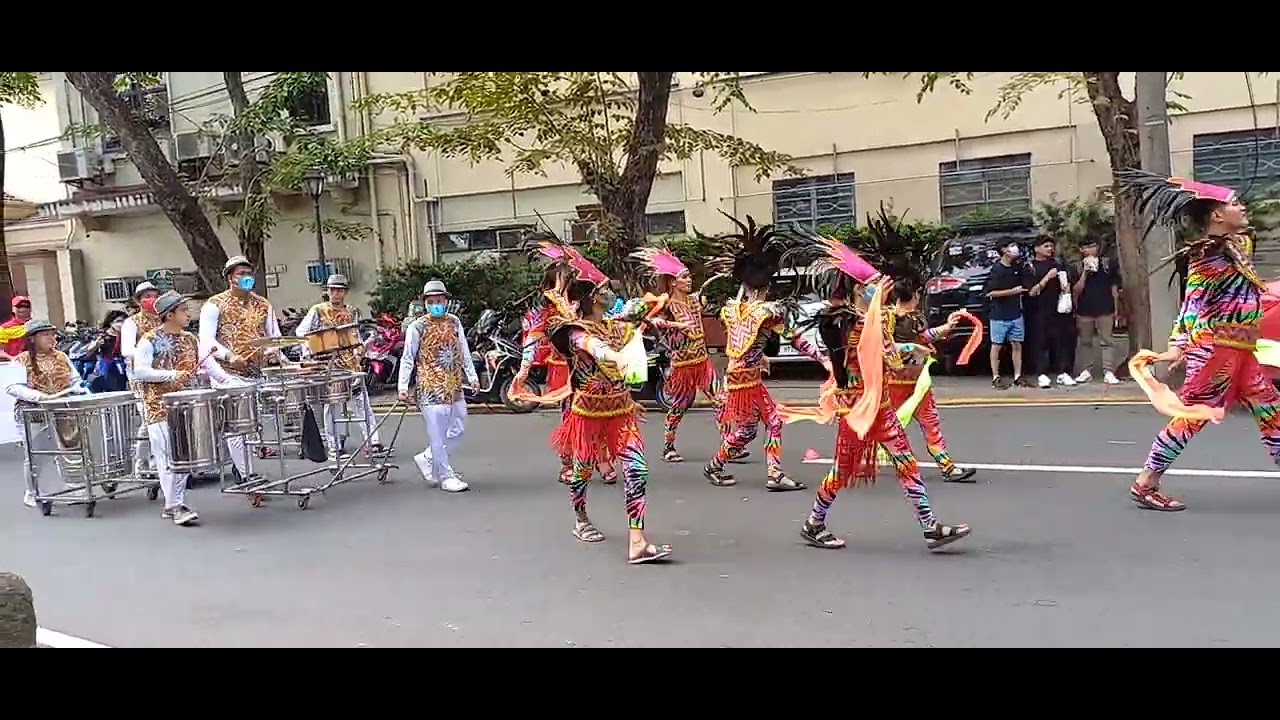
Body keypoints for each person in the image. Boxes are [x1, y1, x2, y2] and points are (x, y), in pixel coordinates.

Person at [776, 233, 971, 551]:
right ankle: (813, 523)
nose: (881, 286)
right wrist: (915, 351)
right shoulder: (859, 323)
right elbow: (892, 360)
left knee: (906, 462)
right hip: (857, 412)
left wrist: (911, 346)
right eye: (874, 283)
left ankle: (929, 526)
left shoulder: (860, 320)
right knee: (842, 471)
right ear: (858, 289)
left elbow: (890, 352)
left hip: (877, 407)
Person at [1117, 170, 1280, 512]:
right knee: (1192, 415)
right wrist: (1178, 344)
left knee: (1272, 410)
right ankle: (1146, 482)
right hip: (1215, 352)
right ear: (1218, 215)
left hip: (1242, 351)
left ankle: (1146, 482)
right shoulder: (1207, 256)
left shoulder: (1236, 246)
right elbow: (1193, 303)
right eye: (1235, 203)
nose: (1243, 207)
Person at [547, 257, 673, 565]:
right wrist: (612, 355)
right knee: (582, 471)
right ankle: (580, 519)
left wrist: (659, 296)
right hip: (587, 416)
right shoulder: (576, 331)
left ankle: (637, 541)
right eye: (603, 288)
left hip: (620, 413)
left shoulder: (615, 326)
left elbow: (643, 315)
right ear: (590, 297)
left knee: (638, 471)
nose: (609, 291)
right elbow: (594, 347)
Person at [701, 212, 825, 490]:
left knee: (750, 430)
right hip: (747, 381)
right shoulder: (766, 311)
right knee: (770, 423)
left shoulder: (732, 309)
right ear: (766, 285)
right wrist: (822, 358)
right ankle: (772, 474)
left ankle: (717, 466)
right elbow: (794, 338)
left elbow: (742, 341)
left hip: (736, 377)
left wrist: (761, 355)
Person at [511, 234, 619, 485]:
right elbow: (533, 337)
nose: (566, 278)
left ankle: (602, 459)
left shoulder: (584, 300)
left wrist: (591, 275)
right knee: (572, 416)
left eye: (569, 274)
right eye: (562, 274)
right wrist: (524, 370)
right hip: (562, 368)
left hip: (591, 365)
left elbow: (607, 305)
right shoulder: (546, 305)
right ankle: (568, 463)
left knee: (600, 412)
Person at [134, 291, 241, 526]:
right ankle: (175, 505)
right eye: (183, 310)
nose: (187, 314)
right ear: (169, 314)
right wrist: (171, 374)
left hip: (187, 406)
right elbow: (140, 371)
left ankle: (174, 503)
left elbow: (206, 363)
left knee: (183, 456)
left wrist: (225, 381)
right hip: (158, 407)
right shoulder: (148, 340)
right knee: (168, 457)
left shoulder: (190, 339)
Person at [628, 246, 721, 463]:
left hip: (703, 363)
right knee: (678, 407)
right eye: (684, 277)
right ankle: (668, 446)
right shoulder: (666, 304)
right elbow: (650, 320)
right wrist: (676, 324)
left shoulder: (695, 300)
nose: (689, 280)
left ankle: (730, 444)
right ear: (673, 282)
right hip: (683, 366)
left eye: (690, 276)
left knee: (722, 400)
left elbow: (712, 298)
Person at [198, 256, 280, 482]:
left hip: (257, 372)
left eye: (248, 273)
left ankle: (240, 464)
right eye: (240, 274)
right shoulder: (215, 304)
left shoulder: (263, 304)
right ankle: (247, 474)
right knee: (237, 426)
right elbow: (206, 340)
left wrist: (277, 356)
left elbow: (274, 336)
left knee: (253, 425)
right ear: (229, 278)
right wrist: (229, 356)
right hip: (227, 373)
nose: (245, 278)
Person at [888, 281, 976, 483]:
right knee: (890, 427)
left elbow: (924, 337)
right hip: (894, 382)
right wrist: (910, 348)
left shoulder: (915, 318)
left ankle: (947, 466)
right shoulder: (887, 318)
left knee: (930, 423)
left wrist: (947, 326)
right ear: (915, 295)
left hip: (918, 382)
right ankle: (862, 459)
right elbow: (883, 345)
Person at [398, 280, 478, 493]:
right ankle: (445, 474)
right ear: (425, 303)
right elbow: (408, 357)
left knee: (458, 427)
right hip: (430, 385)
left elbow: (464, 350)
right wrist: (403, 386)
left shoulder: (454, 322)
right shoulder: (417, 327)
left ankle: (428, 458)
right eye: (431, 301)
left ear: (446, 300)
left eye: (439, 300)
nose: (436, 304)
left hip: (453, 384)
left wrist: (472, 376)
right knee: (437, 432)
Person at [296, 274, 385, 459]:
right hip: (329, 364)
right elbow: (301, 333)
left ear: (345, 292)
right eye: (332, 290)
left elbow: (354, 334)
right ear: (327, 291)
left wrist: (361, 348)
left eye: (339, 290)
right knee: (333, 405)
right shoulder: (318, 310)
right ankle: (334, 446)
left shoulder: (351, 311)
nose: (336, 293)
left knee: (362, 402)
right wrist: (313, 353)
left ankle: (373, 441)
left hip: (351, 364)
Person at [5, 319, 88, 508]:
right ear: (32, 339)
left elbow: (75, 378)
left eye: (52, 333)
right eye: (45, 334)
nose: (51, 338)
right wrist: (38, 396)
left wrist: (77, 389)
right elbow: (12, 387)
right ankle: (32, 492)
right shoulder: (21, 360)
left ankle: (72, 486)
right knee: (36, 454)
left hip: (61, 409)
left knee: (68, 449)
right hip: (32, 412)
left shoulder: (61, 356)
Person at [1024, 235, 1077, 388]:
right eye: (1046, 246)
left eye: (1051, 246)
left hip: (1059, 309)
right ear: (1036, 248)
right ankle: (1042, 373)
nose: (1050, 249)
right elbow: (1032, 292)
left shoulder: (1058, 264)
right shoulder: (1030, 267)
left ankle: (1063, 373)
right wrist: (1047, 278)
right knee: (1041, 342)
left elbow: (1067, 284)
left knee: (1061, 342)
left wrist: (1065, 287)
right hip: (1039, 310)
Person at [121, 281, 162, 476]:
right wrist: (147, 353)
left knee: (163, 421)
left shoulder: (164, 319)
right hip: (141, 379)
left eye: (154, 295)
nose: (151, 300)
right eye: (146, 296)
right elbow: (126, 350)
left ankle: (157, 461)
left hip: (164, 377)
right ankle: (143, 462)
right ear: (138, 301)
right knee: (149, 419)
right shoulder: (132, 323)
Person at [1071, 239, 1122, 385]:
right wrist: (1085, 273)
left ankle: (1109, 372)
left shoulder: (1108, 264)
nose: (1091, 249)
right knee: (1085, 342)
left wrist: (1116, 308)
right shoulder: (1076, 267)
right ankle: (1086, 371)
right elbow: (1076, 290)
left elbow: (1114, 288)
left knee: (1107, 341)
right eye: (1087, 247)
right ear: (1081, 250)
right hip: (1084, 310)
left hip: (1105, 309)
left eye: (1093, 246)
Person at [983, 240, 1031, 389]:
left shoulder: (1017, 267)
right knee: (996, 346)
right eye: (1010, 246)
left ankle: (1018, 376)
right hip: (999, 315)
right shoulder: (997, 269)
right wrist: (1012, 292)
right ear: (1004, 250)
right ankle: (995, 377)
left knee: (1017, 344)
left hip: (1016, 313)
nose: (1014, 249)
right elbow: (991, 292)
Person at [84, 310, 129, 393]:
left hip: (125, 366)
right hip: (108, 367)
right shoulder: (103, 336)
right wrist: (97, 344)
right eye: (118, 321)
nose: (121, 324)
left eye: (124, 321)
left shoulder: (128, 335)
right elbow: (88, 351)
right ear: (111, 323)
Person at [0, 296, 34, 360]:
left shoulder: (36, 325)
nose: (22, 309)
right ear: (13, 309)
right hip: (14, 363)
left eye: (26, 306)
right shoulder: (4, 328)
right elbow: (1, 350)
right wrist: (11, 358)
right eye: (19, 306)